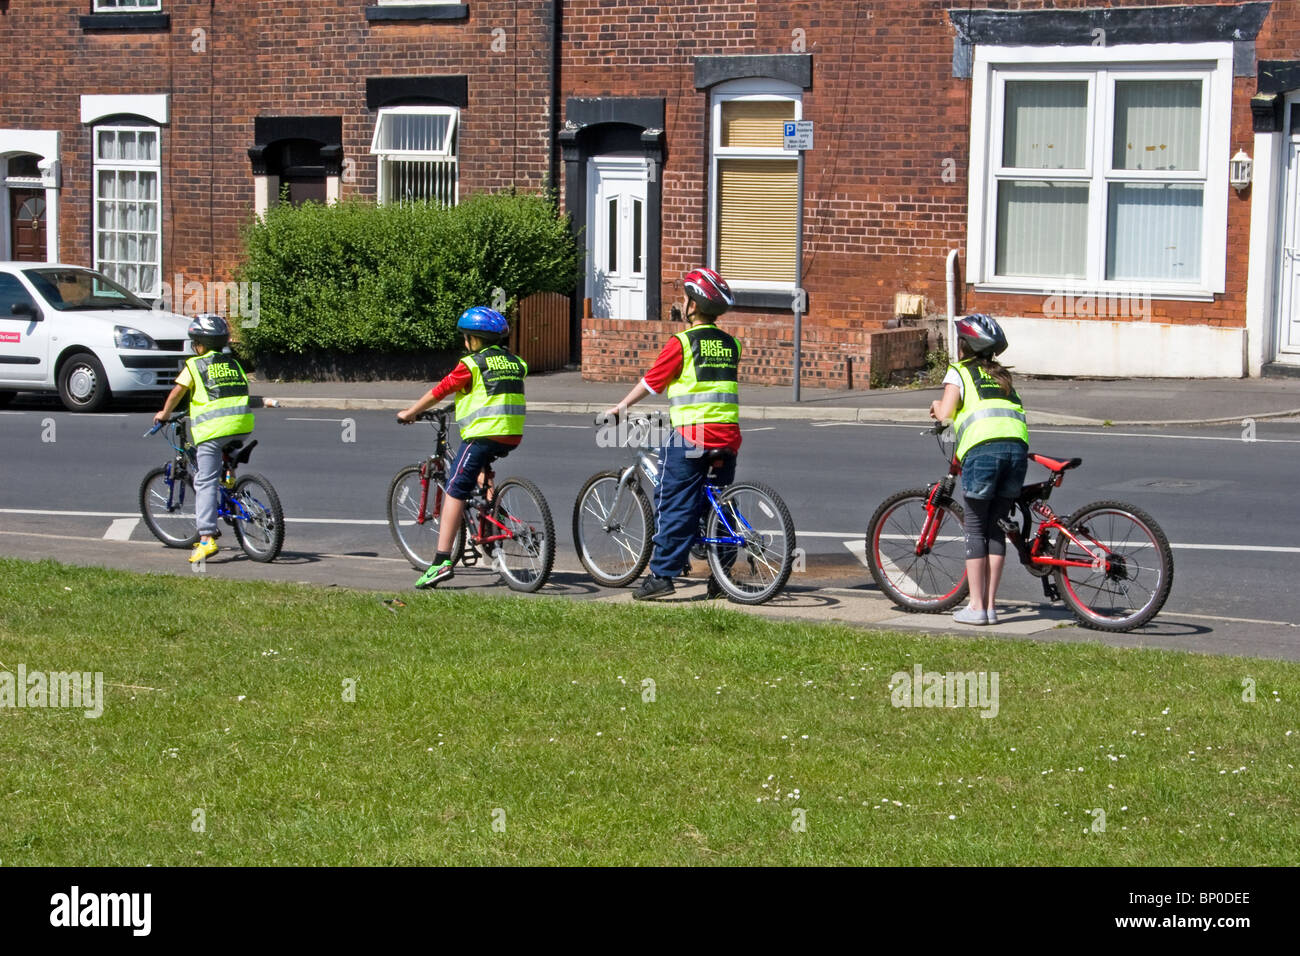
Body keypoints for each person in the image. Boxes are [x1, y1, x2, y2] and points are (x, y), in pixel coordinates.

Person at [604, 267, 740, 600]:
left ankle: (662, 575)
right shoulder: (731, 344)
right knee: (717, 505)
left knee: (673, 502)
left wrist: (621, 407)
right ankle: (722, 577)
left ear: (692, 306)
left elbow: (652, 382)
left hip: (692, 436)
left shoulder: (682, 343)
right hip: (728, 436)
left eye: (685, 298)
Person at [397, 306, 527, 589]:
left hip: (482, 434)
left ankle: (441, 561)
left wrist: (411, 412)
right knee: (478, 472)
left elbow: (440, 390)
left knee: (455, 488)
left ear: (473, 340)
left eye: (466, 338)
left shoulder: (470, 364)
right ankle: (493, 517)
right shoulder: (516, 362)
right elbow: (491, 390)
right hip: (512, 434)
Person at [929, 313, 1028, 626]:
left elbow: (946, 413)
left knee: (974, 526)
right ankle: (991, 606)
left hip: (983, 452)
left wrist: (935, 407)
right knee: (996, 527)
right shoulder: (1002, 376)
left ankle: (975, 607)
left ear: (965, 345)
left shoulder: (959, 371)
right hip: (1016, 451)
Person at [153, 314, 254, 564]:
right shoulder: (234, 364)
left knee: (205, 481)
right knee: (224, 455)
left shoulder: (194, 365)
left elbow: (178, 392)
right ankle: (229, 477)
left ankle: (207, 539)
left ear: (198, 344)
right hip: (242, 424)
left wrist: (164, 414)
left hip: (212, 430)